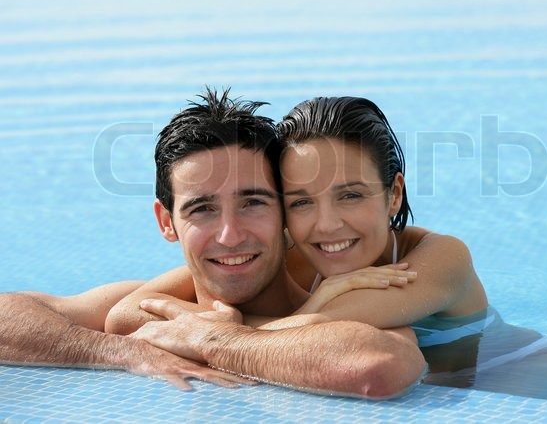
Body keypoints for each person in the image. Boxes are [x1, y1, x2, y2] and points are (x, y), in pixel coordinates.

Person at [115, 95, 547, 400]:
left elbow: (331, 331)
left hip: (517, 369)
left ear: (393, 194)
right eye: (302, 202)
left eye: (350, 195)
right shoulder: (290, 249)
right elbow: (132, 313)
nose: (327, 225)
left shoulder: (439, 258)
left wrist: (207, 335)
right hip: (427, 388)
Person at [0, 89, 426, 399]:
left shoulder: (354, 298)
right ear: (167, 222)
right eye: (202, 209)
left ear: (285, 214)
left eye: (253, 202)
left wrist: (213, 340)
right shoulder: (157, 310)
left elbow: (381, 367)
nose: (230, 235)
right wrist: (119, 352)